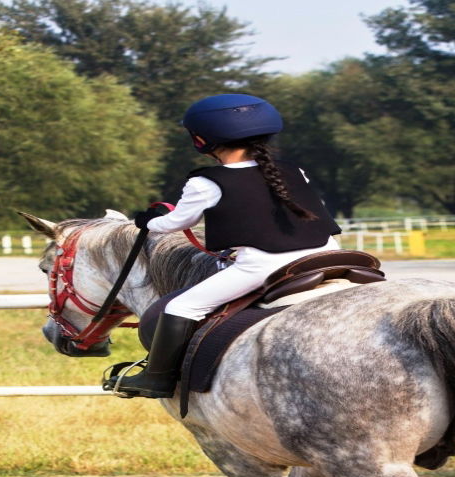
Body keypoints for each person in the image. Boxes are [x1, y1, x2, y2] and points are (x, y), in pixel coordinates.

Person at [109, 93, 342, 399]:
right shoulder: (293, 170)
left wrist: (146, 222)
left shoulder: (205, 183)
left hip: (266, 264)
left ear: (202, 140)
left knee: (182, 307)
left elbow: (175, 223)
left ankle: (156, 379)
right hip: (329, 252)